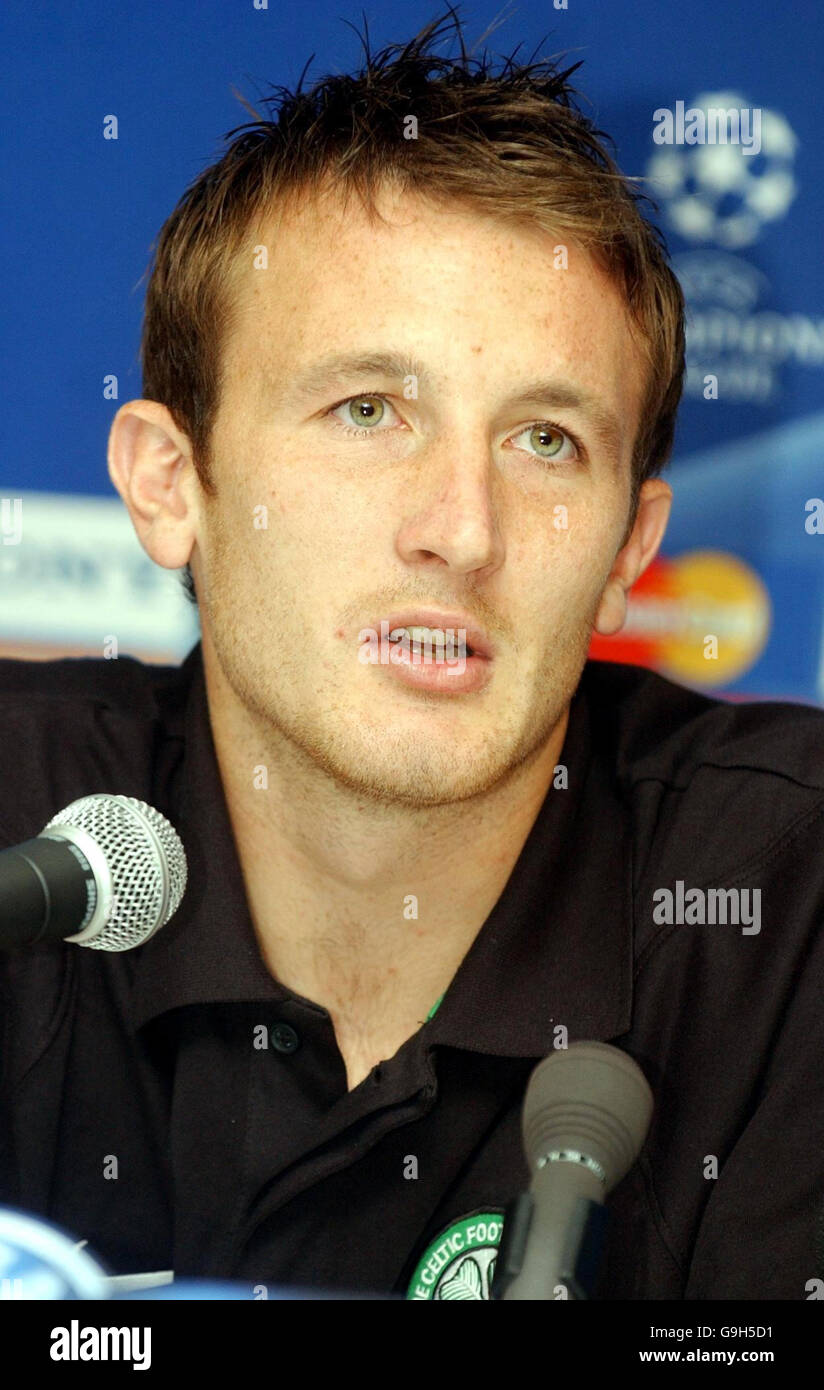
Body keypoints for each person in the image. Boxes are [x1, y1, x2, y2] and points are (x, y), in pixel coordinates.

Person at [2, 11, 823, 1301]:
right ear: (172, 484)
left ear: (628, 549)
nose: (461, 531)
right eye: (369, 410)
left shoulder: (790, 910)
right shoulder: (18, 837)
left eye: (545, 439)